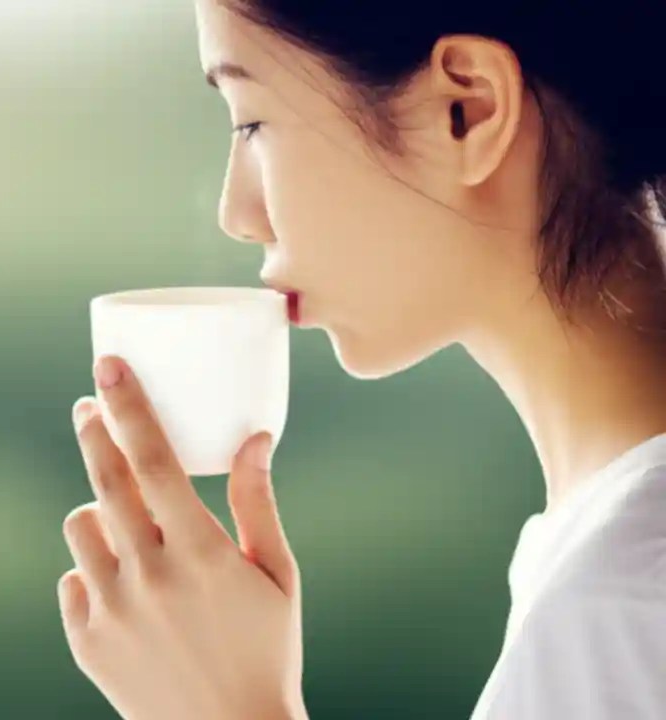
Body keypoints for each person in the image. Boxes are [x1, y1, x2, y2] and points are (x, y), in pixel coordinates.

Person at [57, 1, 666, 718]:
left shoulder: (615, 613)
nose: (235, 211)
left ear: (465, 110)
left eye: (252, 121)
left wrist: (235, 708)